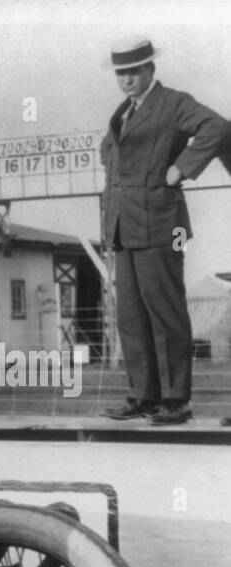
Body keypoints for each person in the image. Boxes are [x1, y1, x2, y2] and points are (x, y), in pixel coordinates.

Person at [99, 38, 230, 425]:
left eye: (134, 71)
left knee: (166, 309)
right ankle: (143, 396)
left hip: (165, 226)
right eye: (122, 73)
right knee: (131, 315)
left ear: (151, 69)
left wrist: (181, 169)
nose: (127, 80)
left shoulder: (173, 102)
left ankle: (176, 401)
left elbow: (217, 127)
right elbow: (110, 151)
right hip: (124, 227)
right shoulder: (123, 112)